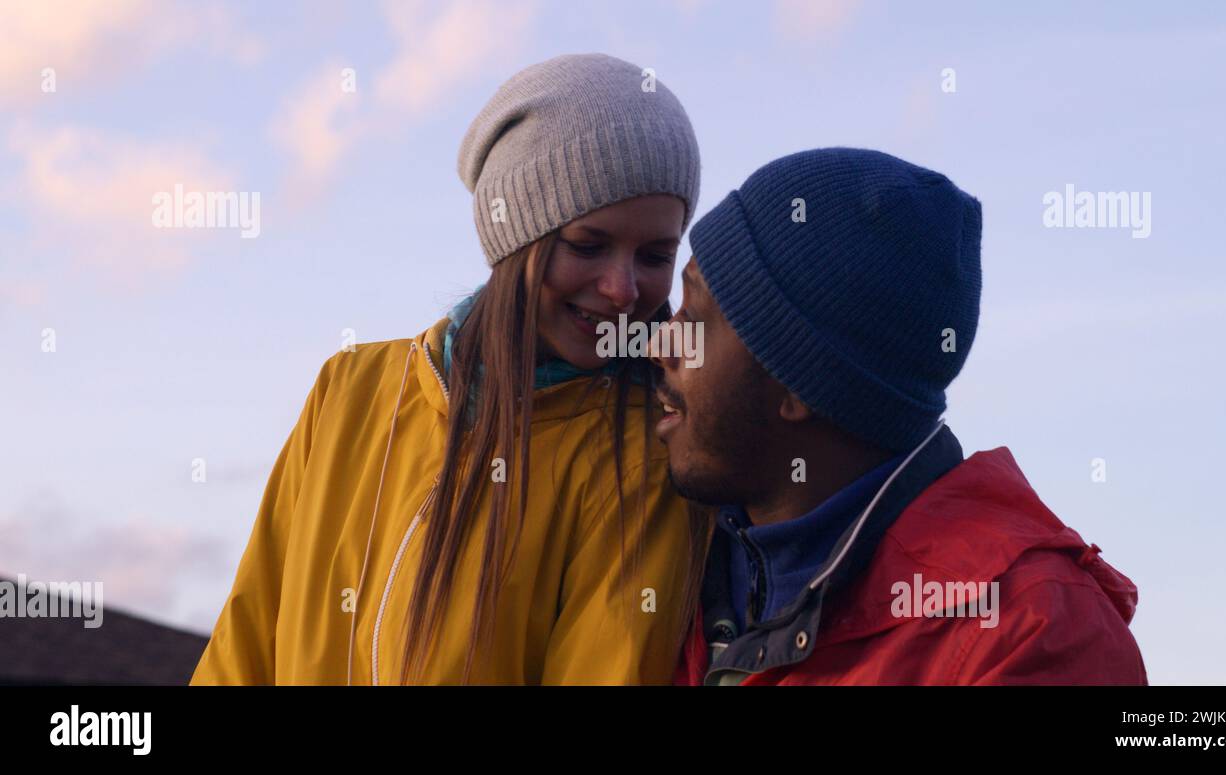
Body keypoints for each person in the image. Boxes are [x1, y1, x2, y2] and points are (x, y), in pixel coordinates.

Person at [191, 53, 708, 685]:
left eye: (655, 255)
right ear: (514, 236)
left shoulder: (646, 459)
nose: (622, 289)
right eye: (588, 245)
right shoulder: (350, 390)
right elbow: (243, 644)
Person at [655, 148, 1148, 685]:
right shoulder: (674, 549)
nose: (660, 344)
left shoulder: (1033, 633)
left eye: (694, 319)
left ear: (796, 384)